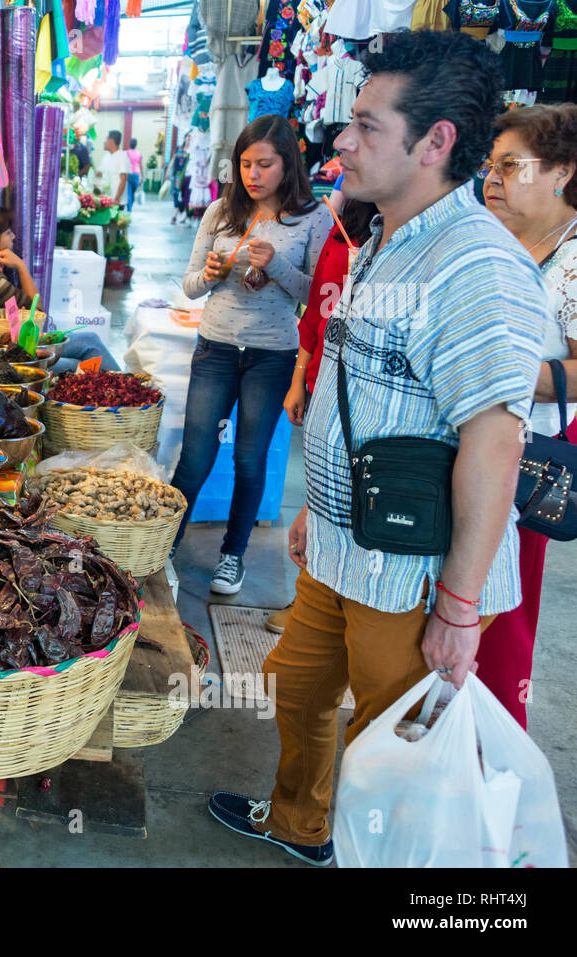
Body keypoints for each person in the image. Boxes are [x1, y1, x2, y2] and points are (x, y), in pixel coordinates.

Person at [209, 30, 547, 866]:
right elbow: (350, 383)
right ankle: (300, 826)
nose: (342, 141)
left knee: (395, 744)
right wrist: (314, 512)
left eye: (365, 125)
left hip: (412, 570)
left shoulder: (478, 265)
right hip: (341, 545)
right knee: (298, 688)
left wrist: (460, 608)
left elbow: (494, 443)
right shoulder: (386, 236)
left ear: (435, 143)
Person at [171, 114, 333, 594]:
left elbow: (319, 294)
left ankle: (232, 556)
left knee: (249, 459)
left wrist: (276, 264)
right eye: (244, 164)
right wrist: (213, 274)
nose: (252, 175)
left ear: (288, 165)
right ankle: (162, 550)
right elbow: (191, 284)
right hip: (216, 348)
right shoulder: (220, 213)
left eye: (264, 164)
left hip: (272, 356)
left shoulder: (314, 217)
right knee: (194, 458)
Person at [477, 103, 577, 729]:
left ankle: (484, 750)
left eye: (511, 166)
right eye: (489, 166)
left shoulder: (571, 262)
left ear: (563, 172)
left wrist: (504, 378)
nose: (492, 179)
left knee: (501, 607)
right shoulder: (490, 238)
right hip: (459, 446)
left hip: (524, 459)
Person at [265, 192, 378, 635]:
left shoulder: (403, 236)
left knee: (361, 503)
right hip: (321, 381)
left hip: (369, 397)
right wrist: (299, 379)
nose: (347, 148)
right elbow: (314, 309)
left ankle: (353, 612)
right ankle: (308, 602)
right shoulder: (339, 223)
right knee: (320, 500)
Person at [0, 203, 118, 375]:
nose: (13, 237)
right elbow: (37, 308)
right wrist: (20, 266)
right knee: (83, 357)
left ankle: (132, 387)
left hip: (10, 345)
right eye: (8, 233)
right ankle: (132, 388)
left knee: (90, 341)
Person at [100, 130, 131, 209]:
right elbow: (100, 174)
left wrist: (116, 199)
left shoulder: (122, 157)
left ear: (111, 141)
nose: (104, 142)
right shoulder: (106, 157)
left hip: (117, 202)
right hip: (106, 200)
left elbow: (123, 180)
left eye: (105, 139)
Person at [167, 133, 192, 225]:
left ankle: (185, 215)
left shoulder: (193, 150)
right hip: (178, 176)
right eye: (188, 136)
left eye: (191, 137)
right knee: (177, 195)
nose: (189, 138)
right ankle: (175, 215)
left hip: (189, 177)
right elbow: (173, 161)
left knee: (187, 196)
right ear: (184, 138)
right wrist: (168, 172)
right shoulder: (179, 149)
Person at [125, 137, 143, 211]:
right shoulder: (138, 154)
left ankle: (129, 209)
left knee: (128, 193)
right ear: (136, 145)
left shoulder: (126, 153)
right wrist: (143, 177)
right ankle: (130, 207)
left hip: (128, 175)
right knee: (132, 193)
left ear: (129, 144)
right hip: (136, 175)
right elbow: (141, 166)